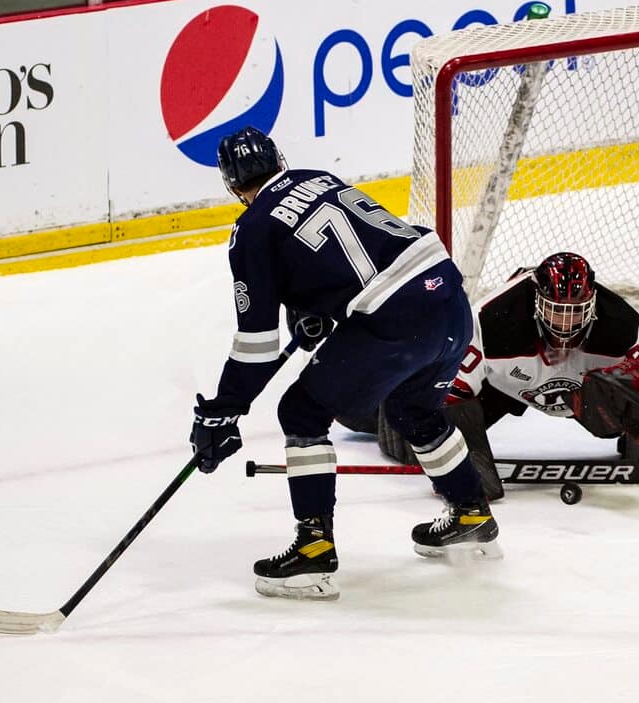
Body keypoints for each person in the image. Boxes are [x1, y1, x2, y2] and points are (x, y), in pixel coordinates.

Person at [189, 125, 501, 602]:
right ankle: (471, 513)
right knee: (413, 410)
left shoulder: (252, 228)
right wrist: (316, 307)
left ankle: (313, 551)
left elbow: (256, 343)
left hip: (395, 320)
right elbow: (350, 257)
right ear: (279, 160)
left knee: (301, 412)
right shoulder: (318, 177)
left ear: (232, 186)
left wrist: (223, 409)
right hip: (449, 299)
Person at [370, 253, 639, 500]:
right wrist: (460, 462)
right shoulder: (491, 321)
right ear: (536, 302)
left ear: (593, 303)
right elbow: (451, 395)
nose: (565, 322)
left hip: (585, 390)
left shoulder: (620, 323)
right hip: (503, 387)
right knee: (410, 435)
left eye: (576, 311)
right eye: (556, 309)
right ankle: (376, 408)